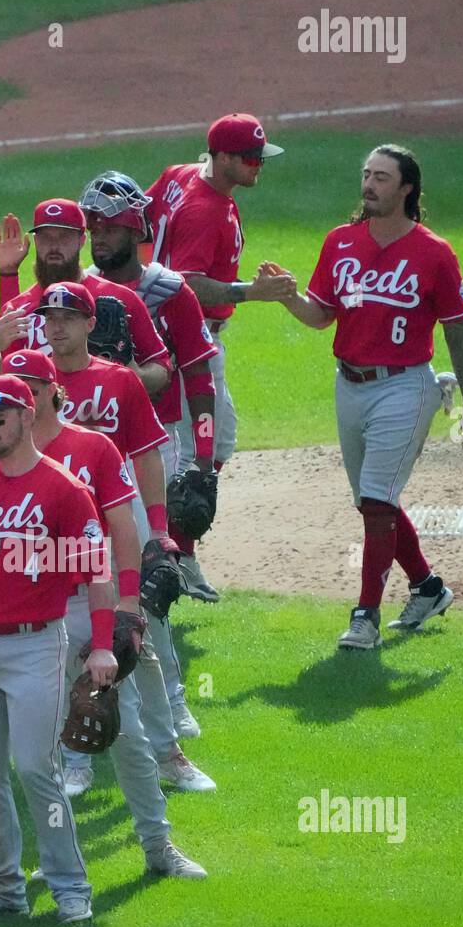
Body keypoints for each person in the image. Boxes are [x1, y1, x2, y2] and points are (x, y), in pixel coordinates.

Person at [0, 294, 215, 796]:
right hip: (44, 593)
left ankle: (169, 753)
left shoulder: (89, 442)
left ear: (49, 393)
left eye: (28, 391)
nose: (17, 403)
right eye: (12, 394)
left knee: (137, 664)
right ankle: (75, 763)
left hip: (95, 577)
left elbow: (122, 516)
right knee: (65, 680)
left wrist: (133, 590)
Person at [264, 144, 463, 649]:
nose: (369, 185)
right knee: (372, 502)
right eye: (366, 175)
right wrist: (286, 296)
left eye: (382, 177)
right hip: (350, 385)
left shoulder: (434, 252)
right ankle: (427, 587)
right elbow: (320, 315)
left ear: (407, 189)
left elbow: (459, 331)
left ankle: (365, 617)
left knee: (378, 499)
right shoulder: (340, 242)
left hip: (406, 386)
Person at [0, 373, 119, 924]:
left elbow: (96, 570)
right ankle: (4, 890)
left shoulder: (63, 488)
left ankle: (69, 888)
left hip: (37, 645)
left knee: (37, 769)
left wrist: (103, 647)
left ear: (26, 414)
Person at [79, 168, 218, 736]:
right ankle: (87, 706)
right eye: (93, 225)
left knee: (149, 587)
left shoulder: (172, 291)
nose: (99, 235)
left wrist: (205, 462)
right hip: (84, 456)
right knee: (81, 583)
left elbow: (200, 377)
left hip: (148, 451)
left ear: (135, 227)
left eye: (109, 225)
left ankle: (173, 702)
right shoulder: (79, 293)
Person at [146, 114, 294, 597]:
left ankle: (175, 549)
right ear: (223, 158)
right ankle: (172, 554)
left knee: (210, 443)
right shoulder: (204, 208)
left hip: (172, 332)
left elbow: (141, 221)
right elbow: (186, 284)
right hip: (190, 339)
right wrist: (250, 290)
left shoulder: (178, 175)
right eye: (251, 159)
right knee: (196, 450)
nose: (259, 166)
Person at [0, 198, 172, 394]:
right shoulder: (18, 309)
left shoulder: (119, 298)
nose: (54, 246)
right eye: (46, 237)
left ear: (81, 240)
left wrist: (134, 374)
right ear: (36, 241)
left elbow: (161, 365)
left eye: (63, 237)